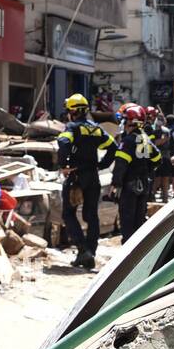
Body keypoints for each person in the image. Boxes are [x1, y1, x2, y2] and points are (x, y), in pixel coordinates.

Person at [56, 93, 115, 269]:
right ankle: (91, 252)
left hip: (76, 176)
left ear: (72, 112)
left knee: (68, 213)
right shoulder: (96, 128)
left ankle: (83, 250)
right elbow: (113, 147)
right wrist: (100, 164)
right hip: (93, 177)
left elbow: (63, 142)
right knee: (91, 216)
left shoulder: (72, 127)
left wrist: (64, 164)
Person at [106, 105, 161, 243]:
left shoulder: (128, 141)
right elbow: (157, 158)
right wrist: (146, 169)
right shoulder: (145, 139)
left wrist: (114, 185)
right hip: (144, 184)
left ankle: (128, 252)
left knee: (127, 220)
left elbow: (121, 165)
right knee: (139, 220)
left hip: (130, 186)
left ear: (130, 122)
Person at [147, 107, 174, 200]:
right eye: (159, 118)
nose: (160, 121)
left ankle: (165, 197)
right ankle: (151, 196)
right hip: (155, 157)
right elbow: (154, 143)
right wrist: (162, 140)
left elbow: (164, 142)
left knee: (165, 178)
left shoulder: (166, 131)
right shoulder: (151, 129)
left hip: (165, 157)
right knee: (156, 178)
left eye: (161, 119)